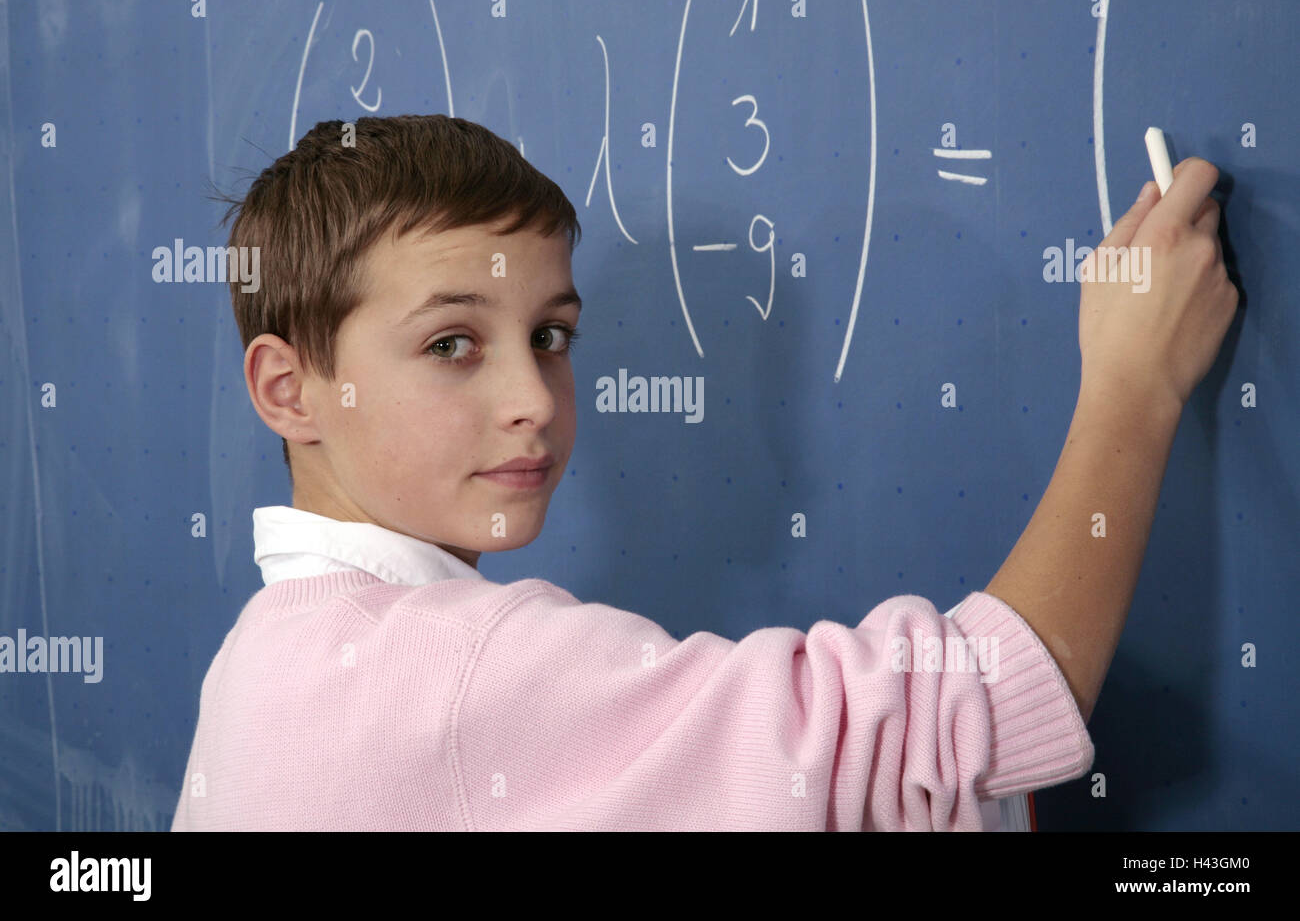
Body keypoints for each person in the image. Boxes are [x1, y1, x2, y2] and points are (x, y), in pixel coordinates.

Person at [170, 115, 1237, 830]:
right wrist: (1133, 386)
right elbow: (975, 709)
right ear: (289, 388)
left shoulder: (268, 660)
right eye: (451, 343)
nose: (533, 398)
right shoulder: (455, 666)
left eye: (550, 334)